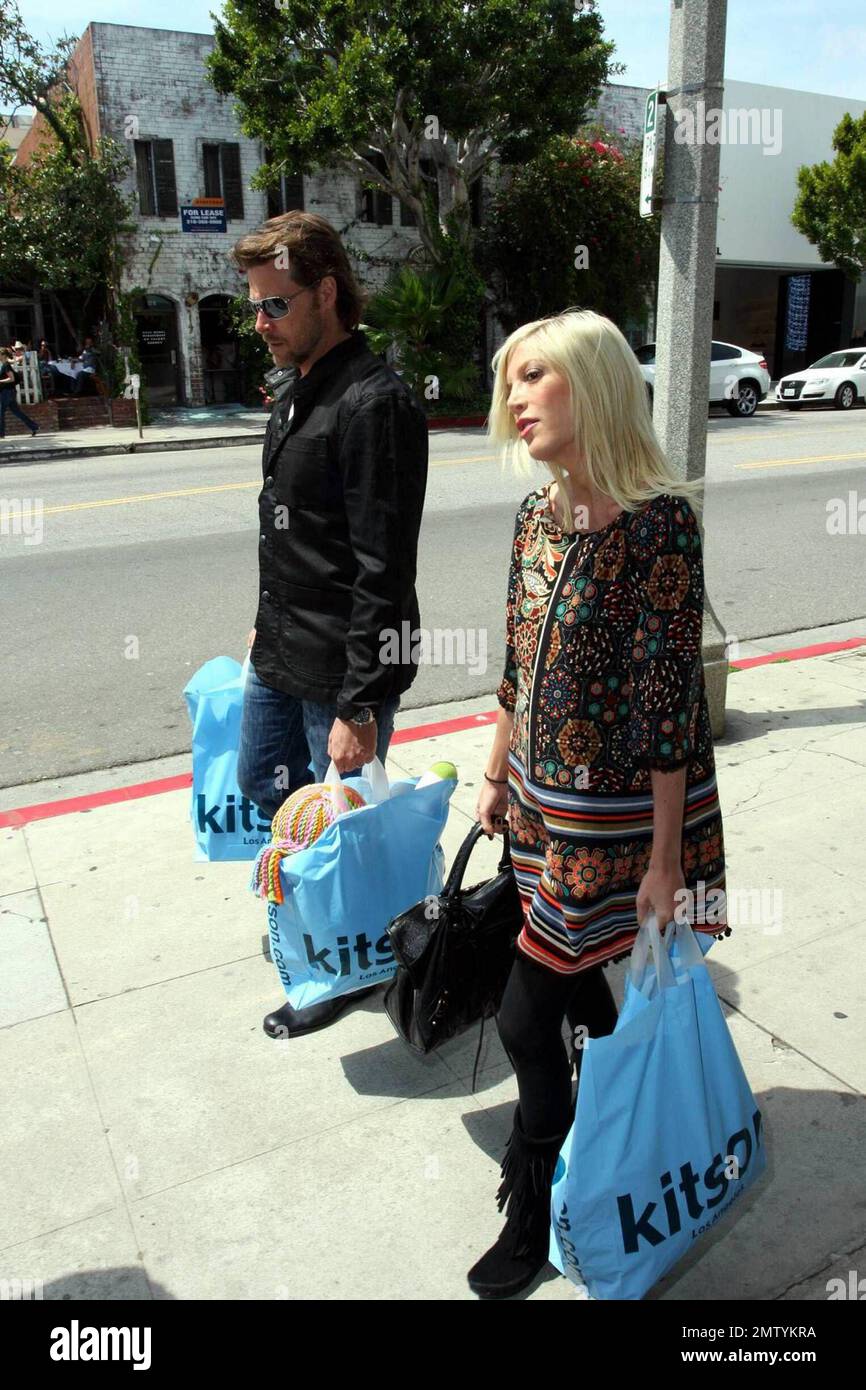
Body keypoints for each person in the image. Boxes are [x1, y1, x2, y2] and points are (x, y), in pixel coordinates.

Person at [468, 307, 731, 1300]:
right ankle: (603, 1143)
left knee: (526, 1019)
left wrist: (666, 862)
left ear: (594, 384)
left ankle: (532, 1204)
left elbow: (668, 706)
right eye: (509, 381)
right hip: (537, 809)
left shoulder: (656, 524)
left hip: (618, 831)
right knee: (581, 998)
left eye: (534, 376)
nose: (514, 398)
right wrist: (494, 773)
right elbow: (515, 666)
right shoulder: (534, 516)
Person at [231, 211, 428, 1042]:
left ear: (326, 292)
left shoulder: (373, 404)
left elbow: (383, 571)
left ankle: (335, 971)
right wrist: (260, 629)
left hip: (340, 673)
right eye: (256, 306)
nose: (260, 322)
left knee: (338, 836)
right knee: (262, 793)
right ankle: (319, 923)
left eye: (275, 305)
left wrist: (360, 707)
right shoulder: (300, 390)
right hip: (281, 651)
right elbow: (301, 537)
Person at [0, 348, 38, 437]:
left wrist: (0, 381)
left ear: (3, 355)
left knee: (0, 413)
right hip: (9, 392)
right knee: (17, 412)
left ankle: (1, 434)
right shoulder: (4, 365)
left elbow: (11, 378)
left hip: (7, 392)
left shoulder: (6, 366)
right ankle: (34, 427)